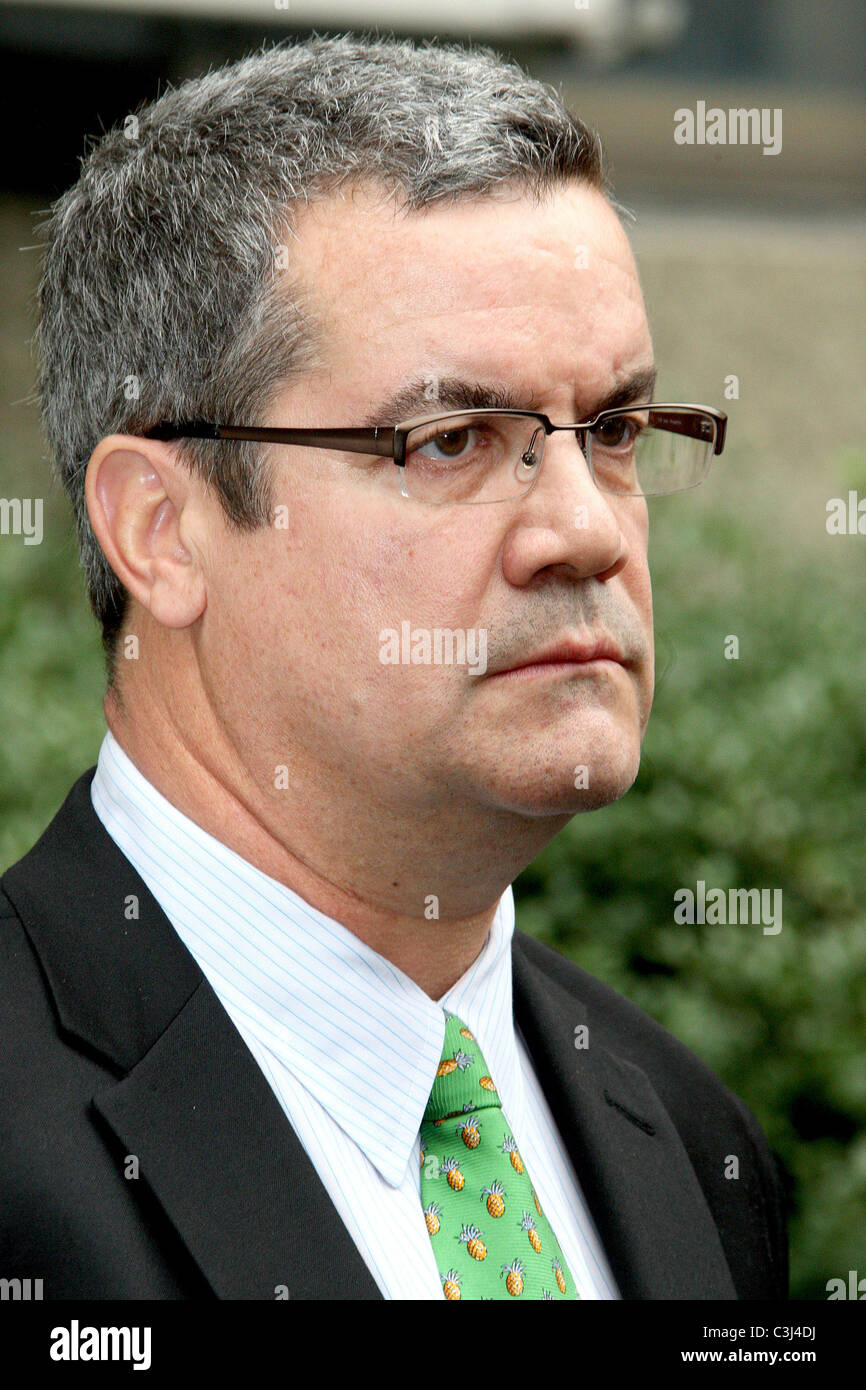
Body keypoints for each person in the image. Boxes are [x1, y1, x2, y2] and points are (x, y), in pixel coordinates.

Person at [0, 32, 787, 1300]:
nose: (584, 530)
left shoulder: (686, 1143)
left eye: (619, 430)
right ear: (162, 526)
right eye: (450, 441)